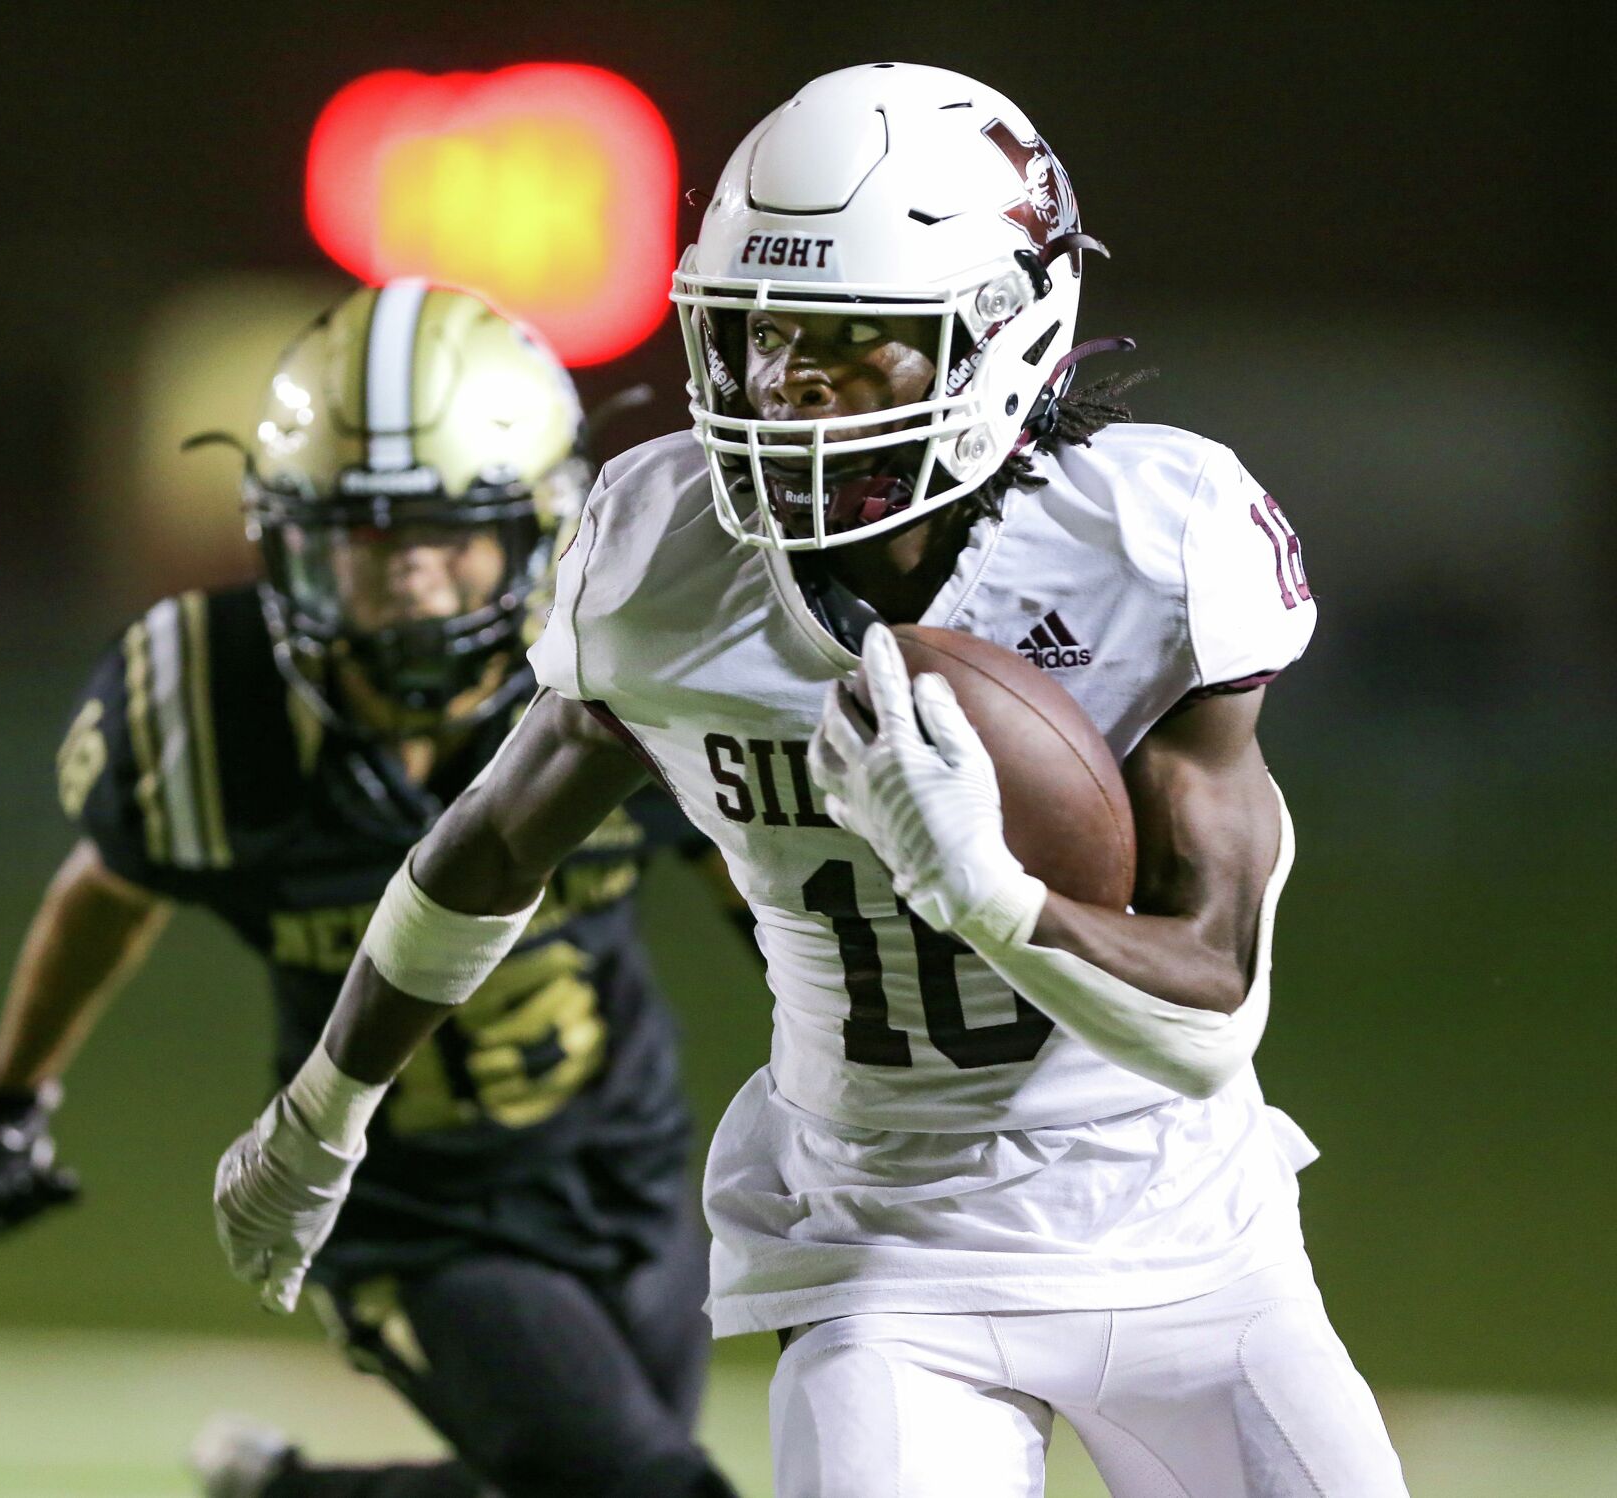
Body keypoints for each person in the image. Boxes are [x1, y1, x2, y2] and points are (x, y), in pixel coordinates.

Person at [211, 66, 1411, 1497]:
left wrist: (988, 894)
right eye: (765, 332)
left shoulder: (1145, 544)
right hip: (882, 1257)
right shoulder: (663, 552)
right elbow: (486, 849)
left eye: (852, 338)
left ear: (1001, 335)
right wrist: (321, 1114)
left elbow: (1206, 1017)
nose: (789, 382)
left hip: (1192, 1242)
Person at [0, 280, 741, 1498]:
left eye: (445, 537)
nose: (409, 583)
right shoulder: (209, 706)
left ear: (541, 530)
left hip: (630, 1171)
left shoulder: (611, 674)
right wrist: (12, 1099)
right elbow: (107, 892)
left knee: (573, 1485)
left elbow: (762, 886)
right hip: (412, 1217)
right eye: (365, 541)